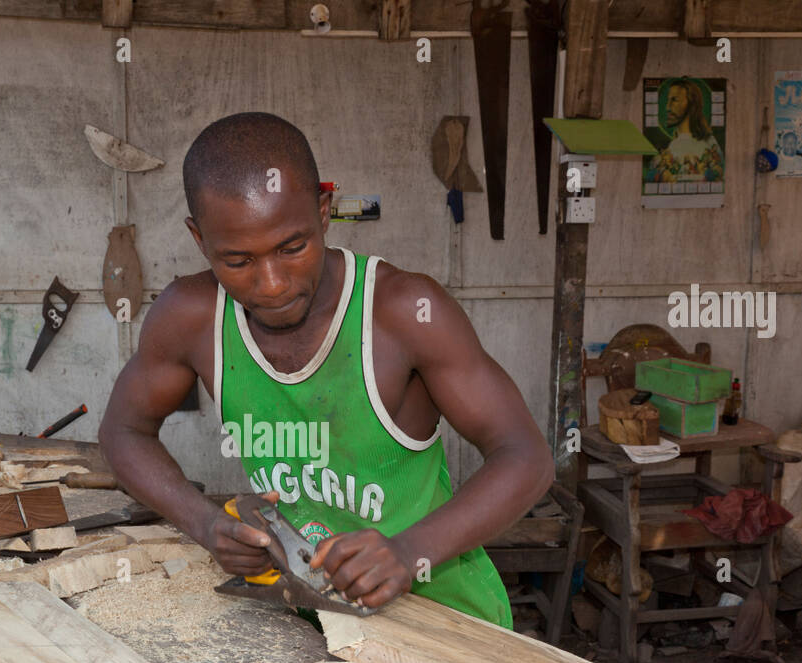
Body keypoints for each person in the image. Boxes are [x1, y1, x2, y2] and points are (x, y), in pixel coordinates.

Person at [99, 112, 553, 625]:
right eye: (238, 261)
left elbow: (526, 457)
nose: (271, 283)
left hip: (442, 615)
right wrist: (205, 524)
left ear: (322, 211)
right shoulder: (190, 317)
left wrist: (408, 552)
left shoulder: (404, 311)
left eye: (292, 248)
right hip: (311, 614)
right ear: (199, 240)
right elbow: (123, 431)